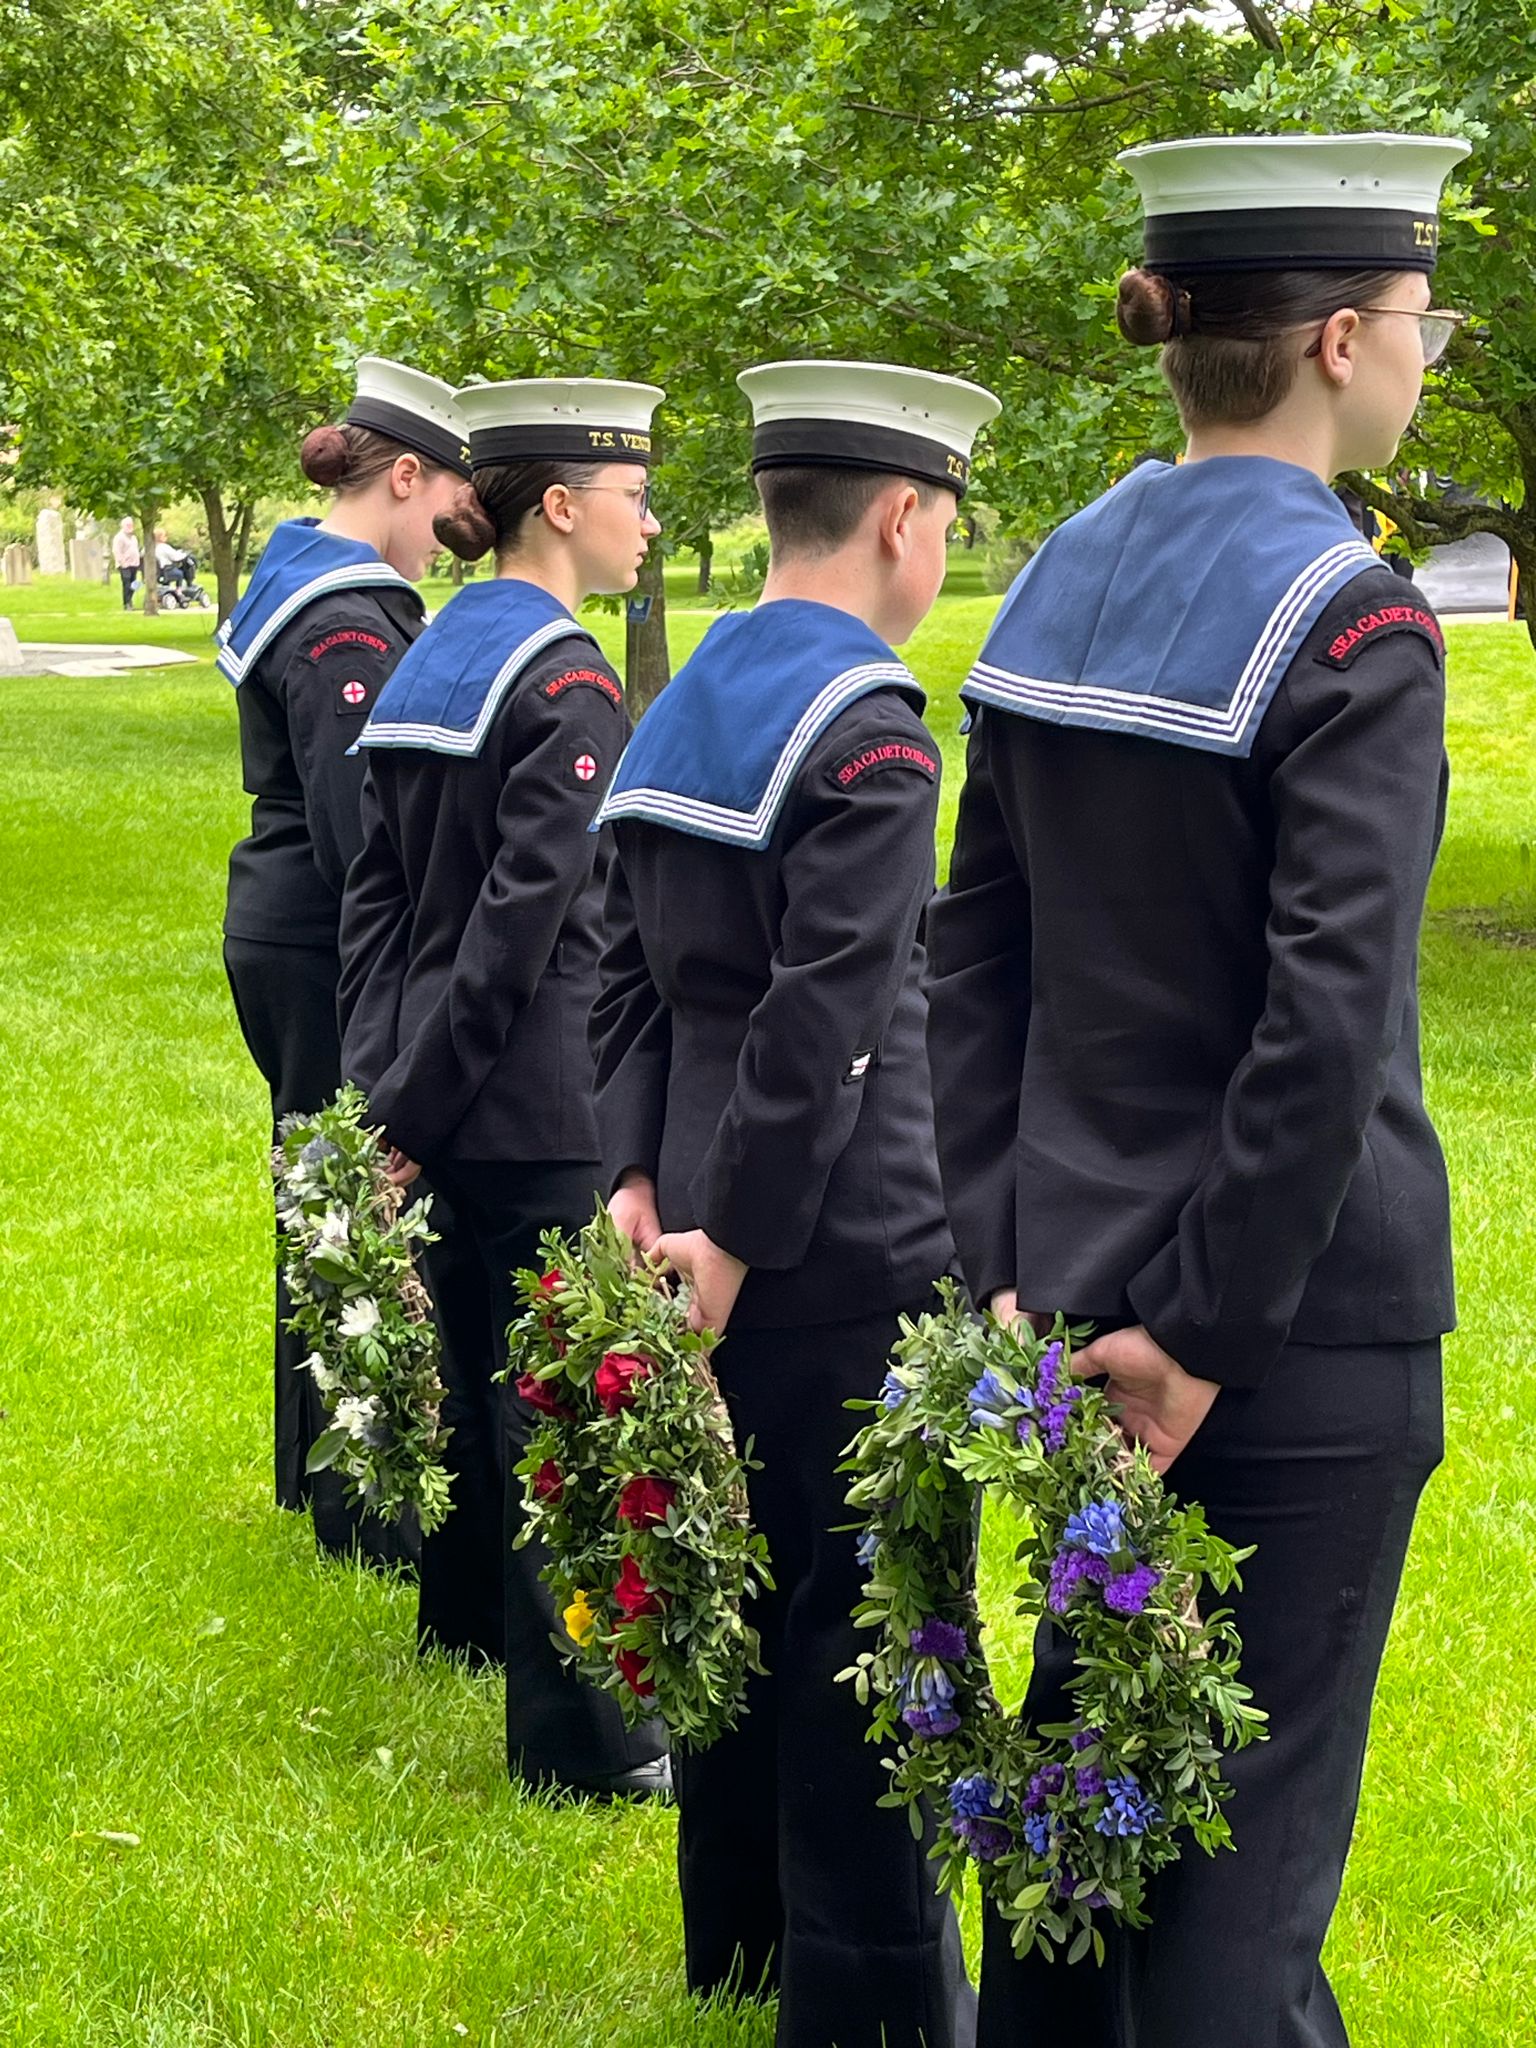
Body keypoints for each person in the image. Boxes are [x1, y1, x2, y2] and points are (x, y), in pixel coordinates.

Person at [926, 132, 1468, 2048]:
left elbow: (969, 959)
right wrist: (1212, 1330)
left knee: (1082, 1831)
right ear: (1336, 337)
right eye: (1419, 319)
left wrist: (1011, 1250)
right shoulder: (1355, 616)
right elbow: (1320, 1037)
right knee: (1235, 1883)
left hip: (1081, 1304)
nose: (1429, 352)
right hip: (1291, 1328)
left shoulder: (1063, 568)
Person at [590, 358, 998, 2048]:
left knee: (733, 1587)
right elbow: (824, 1026)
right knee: (877, 1610)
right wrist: (747, 1240)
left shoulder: (683, 694)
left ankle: (741, 1940)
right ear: (905, 515)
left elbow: (617, 976)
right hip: (841, 1244)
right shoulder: (870, 728)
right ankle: (878, 1992)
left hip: (683, 1206)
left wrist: (634, 1180)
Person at [338, 376, 670, 1802]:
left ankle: (463, 1623)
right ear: (560, 506)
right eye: (634, 495)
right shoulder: (567, 678)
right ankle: (585, 1745)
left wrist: (384, 1092)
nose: (648, 523)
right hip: (532, 1106)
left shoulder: (433, 649)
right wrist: (420, 1105)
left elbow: (374, 902)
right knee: (565, 1430)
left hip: (431, 1084)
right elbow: (521, 942)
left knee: (477, 1385)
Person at [220, 356, 470, 1566]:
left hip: (286, 926)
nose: (445, 537)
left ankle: (311, 1473)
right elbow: (359, 826)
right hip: (320, 938)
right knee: (351, 1210)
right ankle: (357, 1508)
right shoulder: (338, 619)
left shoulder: (318, 588)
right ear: (403, 474)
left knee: (319, 1200)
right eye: (443, 508)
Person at [111, 517, 140, 609]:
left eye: (131, 525)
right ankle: (126, 603)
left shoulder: (134, 538)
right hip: (125, 565)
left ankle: (130, 601)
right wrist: (122, 562)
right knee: (127, 584)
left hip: (134, 564)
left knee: (134, 584)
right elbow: (116, 551)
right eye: (128, 525)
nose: (130, 527)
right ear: (123, 526)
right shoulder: (119, 537)